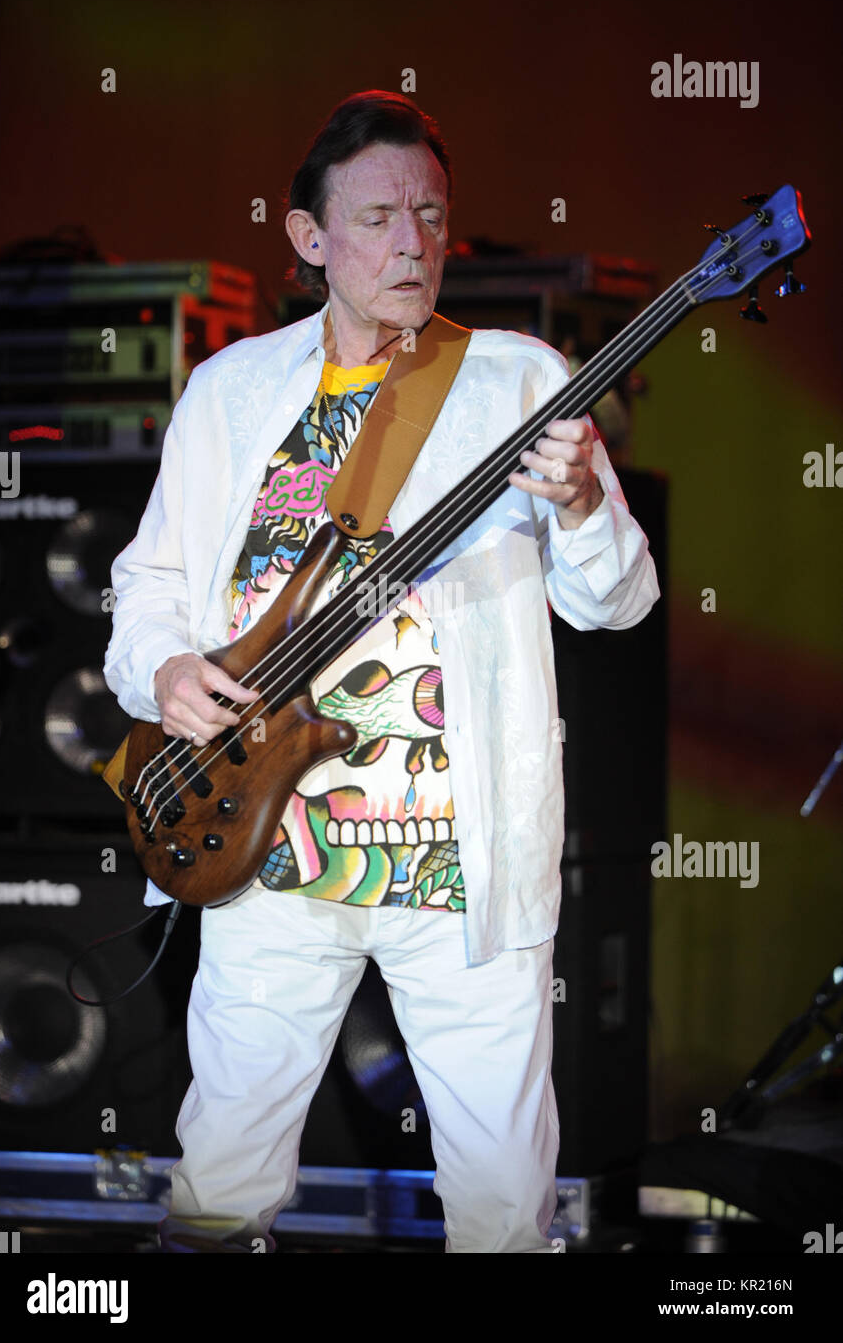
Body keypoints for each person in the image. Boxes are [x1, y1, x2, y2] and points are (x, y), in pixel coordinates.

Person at [103, 90, 660, 1254]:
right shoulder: (232, 389)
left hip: (458, 852)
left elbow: (613, 599)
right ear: (309, 240)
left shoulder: (515, 380)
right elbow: (146, 582)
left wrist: (580, 504)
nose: (410, 243)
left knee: (502, 1204)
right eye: (375, 219)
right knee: (220, 1178)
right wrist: (162, 670)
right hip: (265, 837)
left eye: (428, 215)